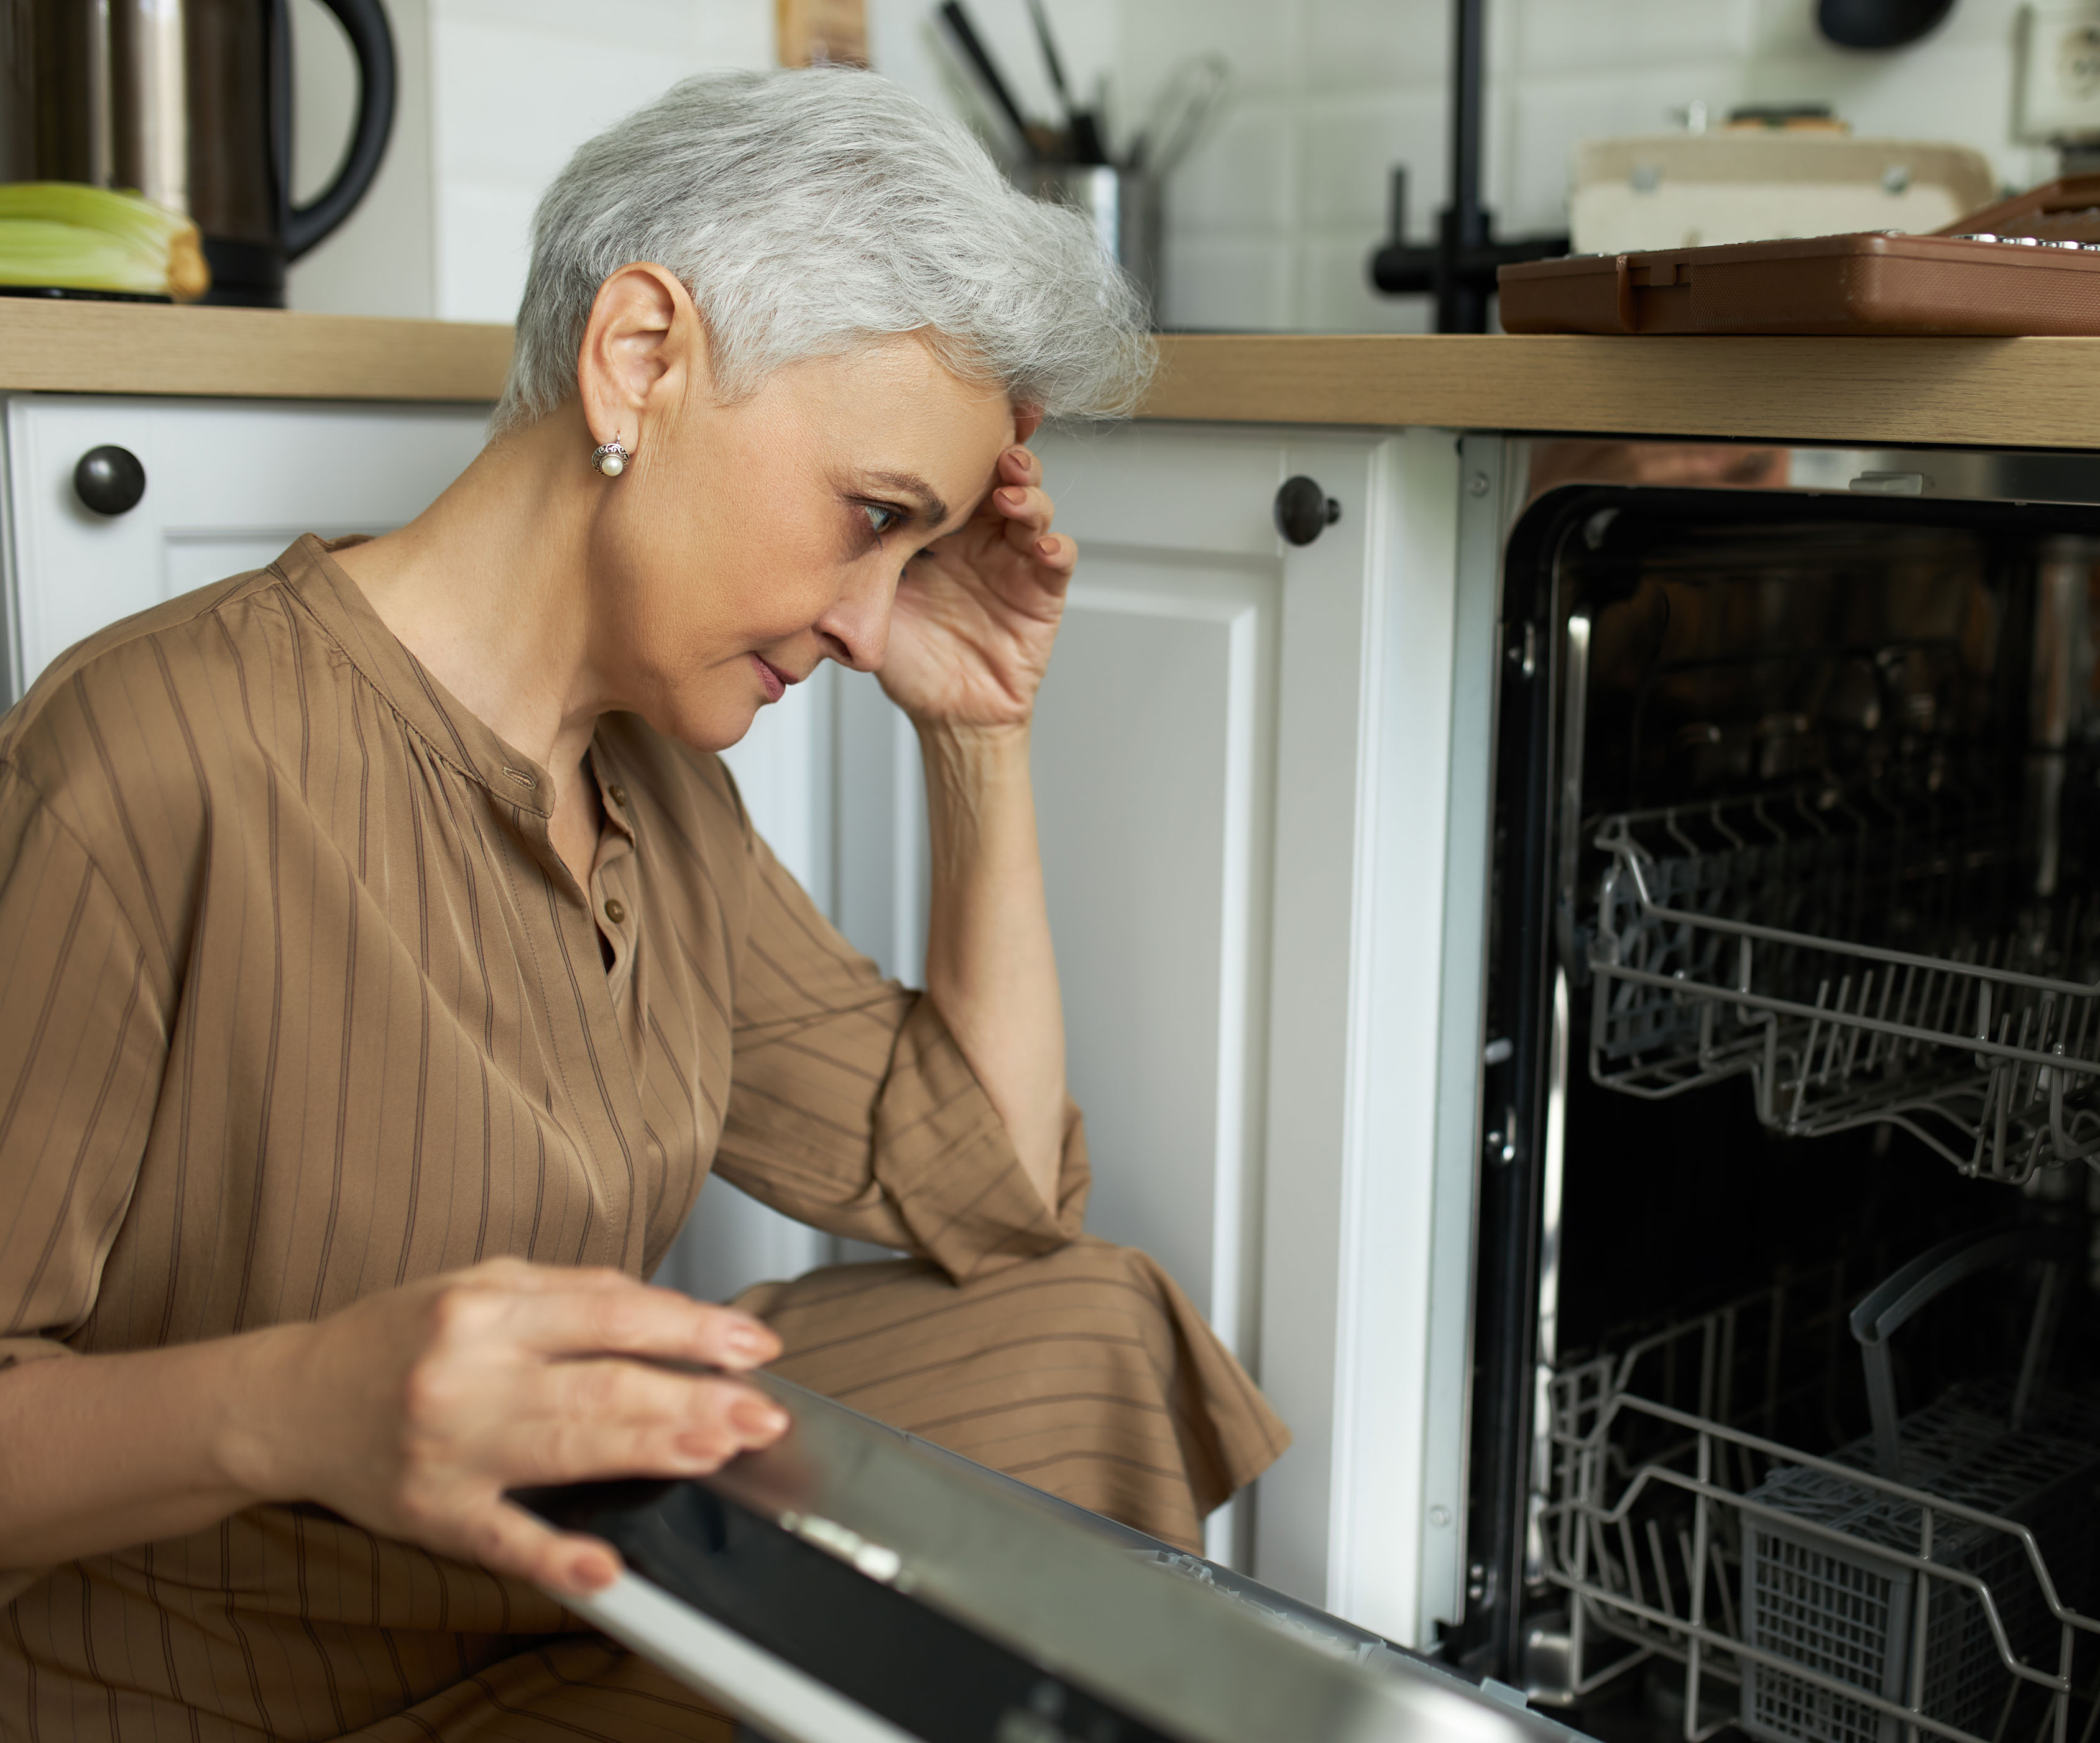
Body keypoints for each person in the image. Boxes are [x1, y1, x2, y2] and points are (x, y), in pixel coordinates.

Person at [0, 67, 1285, 1741]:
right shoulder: (152, 754)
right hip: (239, 1693)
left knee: (1081, 1316)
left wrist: (977, 736)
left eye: (917, 554)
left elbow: (994, 1188)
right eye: (873, 519)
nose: (862, 618)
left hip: (588, 1593)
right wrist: (300, 1404)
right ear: (642, 359)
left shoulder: (664, 796)